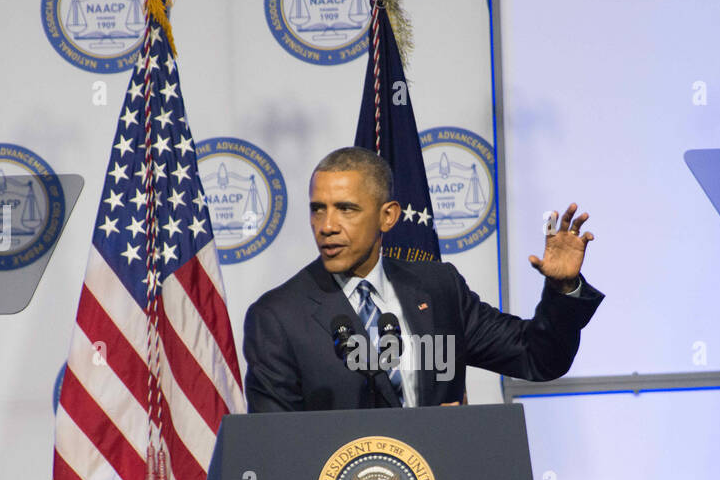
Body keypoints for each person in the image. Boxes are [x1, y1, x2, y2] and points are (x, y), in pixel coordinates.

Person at [242, 147, 603, 411]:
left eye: (346, 209)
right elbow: (278, 446)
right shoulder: (278, 317)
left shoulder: (438, 287)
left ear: (388, 216)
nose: (327, 226)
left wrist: (562, 290)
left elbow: (538, 358)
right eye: (318, 209)